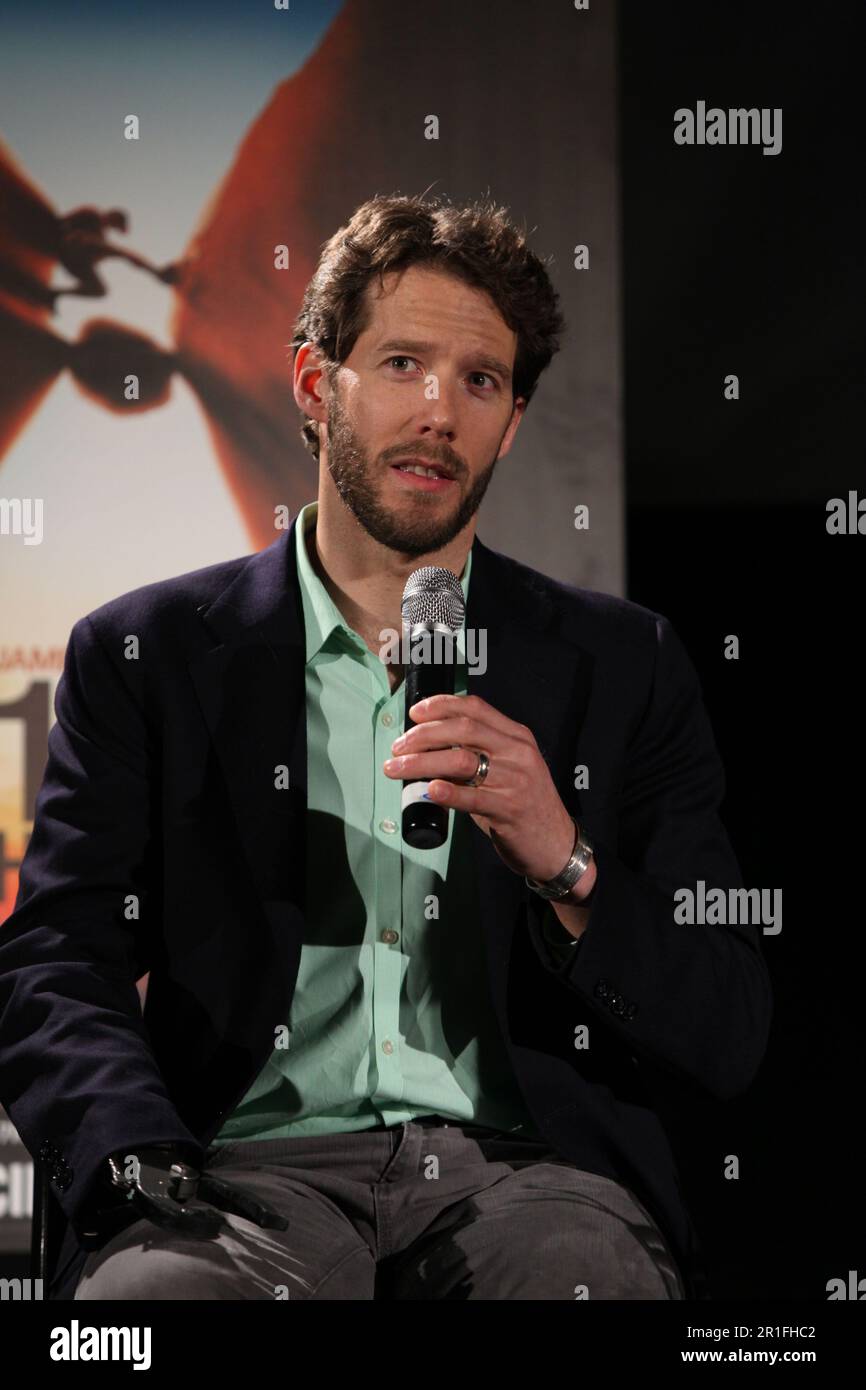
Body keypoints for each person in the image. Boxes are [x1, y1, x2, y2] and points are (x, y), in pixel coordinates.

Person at [0, 193, 772, 1300]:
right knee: (152, 1306)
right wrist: (135, 1161)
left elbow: (727, 1023)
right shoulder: (146, 652)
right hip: (233, 1178)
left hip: (523, 1179)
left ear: (509, 424)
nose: (438, 412)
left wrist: (564, 861)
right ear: (318, 386)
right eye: (402, 363)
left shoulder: (622, 664)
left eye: (479, 381)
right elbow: (53, 955)